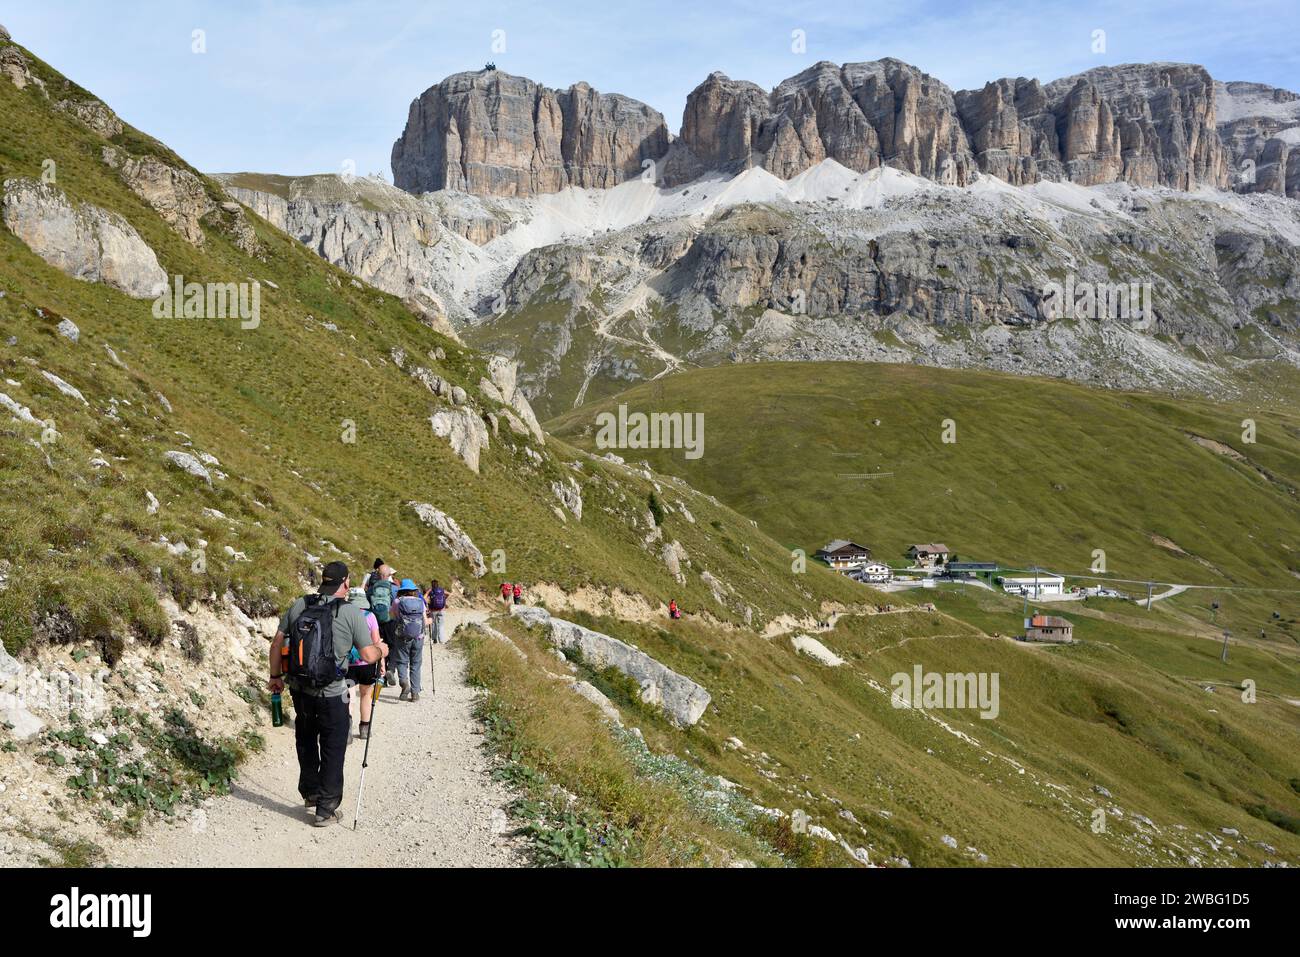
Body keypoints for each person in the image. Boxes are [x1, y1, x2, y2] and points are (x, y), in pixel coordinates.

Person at [269, 561, 387, 826]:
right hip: (333, 693)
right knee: (333, 748)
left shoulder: (301, 604)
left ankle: (311, 792)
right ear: (345, 582)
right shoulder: (351, 612)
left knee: (307, 738)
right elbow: (368, 655)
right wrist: (383, 650)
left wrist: (275, 676)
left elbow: (277, 642)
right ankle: (326, 808)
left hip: (300, 690)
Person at [345, 586, 382, 739]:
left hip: (347, 663)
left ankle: (346, 730)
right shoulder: (370, 616)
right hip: (368, 662)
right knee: (366, 695)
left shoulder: (343, 615)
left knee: (349, 697)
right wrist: (382, 664)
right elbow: (376, 642)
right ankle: (365, 729)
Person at [391, 578, 427, 702]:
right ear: (413, 591)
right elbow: (425, 621)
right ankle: (415, 693)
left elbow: (392, 616)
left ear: (402, 590)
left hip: (402, 636)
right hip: (419, 637)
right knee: (416, 664)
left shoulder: (397, 601)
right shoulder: (420, 602)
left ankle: (404, 683)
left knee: (402, 662)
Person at [366, 563, 399, 686]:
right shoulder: (394, 588)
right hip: (390, 621)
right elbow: (397, 604)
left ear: (378, 574)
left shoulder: (371, 589)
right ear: (389, 575)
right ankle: (390, 669)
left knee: (378, 646)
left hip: (375, 622)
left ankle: (380, 677)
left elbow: (367, 604)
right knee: (393, 646)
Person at [425, 579, 448, 645]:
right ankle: (441, 640)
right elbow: (449, 594)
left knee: (434, 624)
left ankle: (434, 639)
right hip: (441, 610)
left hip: (433, 610)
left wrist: (428, 601)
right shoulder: (442, 590)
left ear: (432, 585)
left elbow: (424, 598)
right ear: (438, 584)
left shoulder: (431, 591)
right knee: (441, 625)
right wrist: (444, 600)